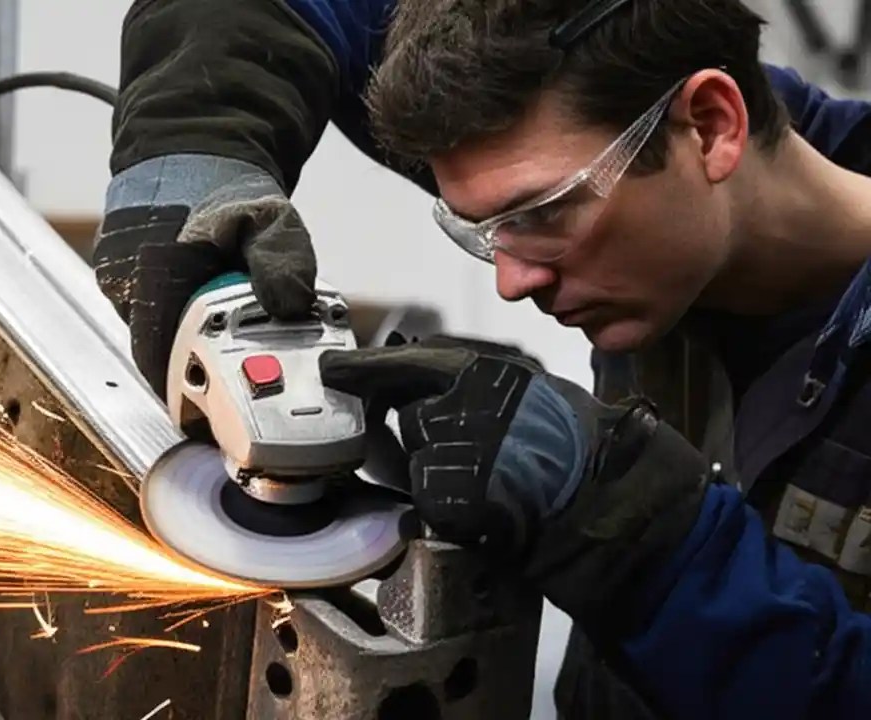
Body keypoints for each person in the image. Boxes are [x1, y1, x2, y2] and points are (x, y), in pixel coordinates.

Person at [92, 0, 871, 718]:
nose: (511, 281)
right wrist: (189, 150)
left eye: (543, 213)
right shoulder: (621, 106)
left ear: (709, 127)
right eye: (481, 231)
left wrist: (631, 523)